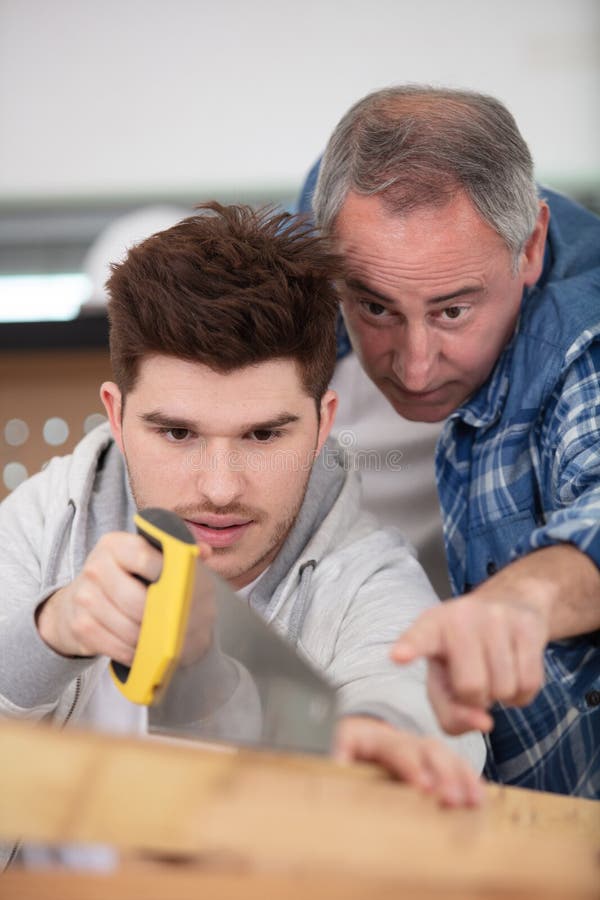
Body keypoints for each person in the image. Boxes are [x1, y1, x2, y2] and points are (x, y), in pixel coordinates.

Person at [0, 203, 484, 845]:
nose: (220, 487)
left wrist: (374, 750)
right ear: (115, 417)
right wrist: (48, 635)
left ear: (322, 424)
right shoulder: (41, 520)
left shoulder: (369, 580)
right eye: (177, 433)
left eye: (263, 435)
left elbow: (410, 720)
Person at [303, 85, 600, 798]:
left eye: (453, 310)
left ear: (528, 247)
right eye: (375, 306)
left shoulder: (584, 339)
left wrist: (518, 606)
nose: (412, 365)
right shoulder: (315, 245)